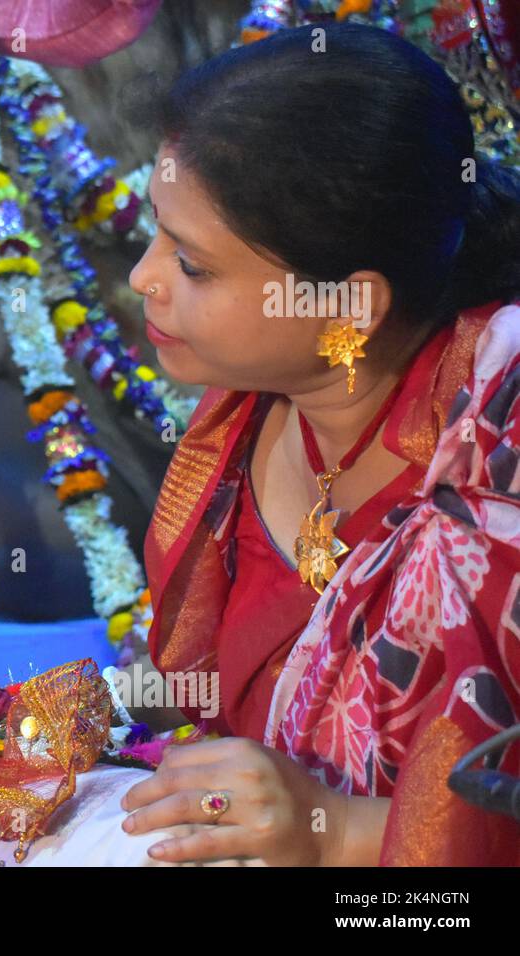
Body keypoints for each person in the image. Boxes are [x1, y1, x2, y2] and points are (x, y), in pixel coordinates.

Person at [121, 21, 520, 865]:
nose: (143, 278)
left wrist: (337, 829)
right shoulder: (239, 424)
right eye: (158, 233)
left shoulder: (498, 465)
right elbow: (196, 711)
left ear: (345, 309)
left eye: (192, 265)